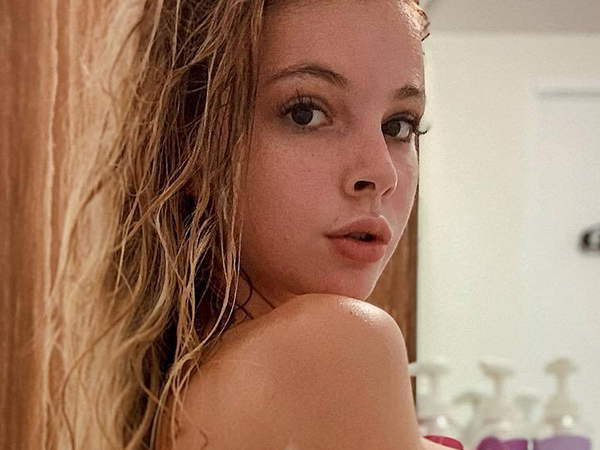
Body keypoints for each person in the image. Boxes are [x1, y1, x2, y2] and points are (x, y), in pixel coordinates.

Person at [45, 0, 461, 449]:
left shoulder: (183, 392)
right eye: (305, 113)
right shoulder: (337, 348)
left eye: (398, 126)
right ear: (193, 143)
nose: (381, 172)